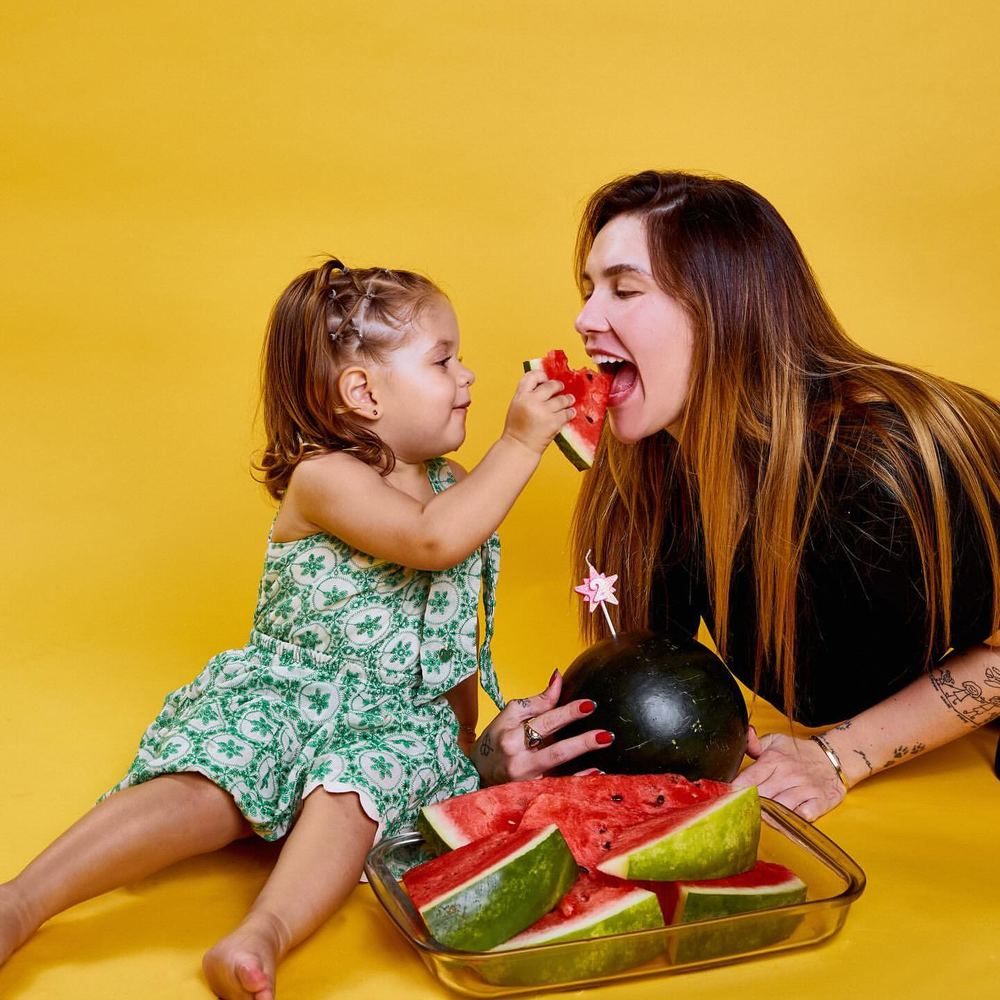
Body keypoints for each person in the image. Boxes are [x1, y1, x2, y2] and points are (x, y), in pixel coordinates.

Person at [0, 258, 607, 1000]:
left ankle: (264, 934)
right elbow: (428, 542)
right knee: (208, 781)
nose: (470, 376)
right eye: (444, 359)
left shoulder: (456, 488)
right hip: (288, 696)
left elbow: (444, 638)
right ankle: (20, 900)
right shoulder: (326, 477)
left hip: (389, 729)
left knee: (357, 795)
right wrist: (520, 445)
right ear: (361, 392)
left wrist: (458, 756)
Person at [559, 170, 1000, 822]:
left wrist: (839, 757)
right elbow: (658, 686)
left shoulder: (882, 464)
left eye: (624, 289)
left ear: (724, 309)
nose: (583, 319)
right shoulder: (653, 471)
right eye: (588, 289)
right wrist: (554, 744)